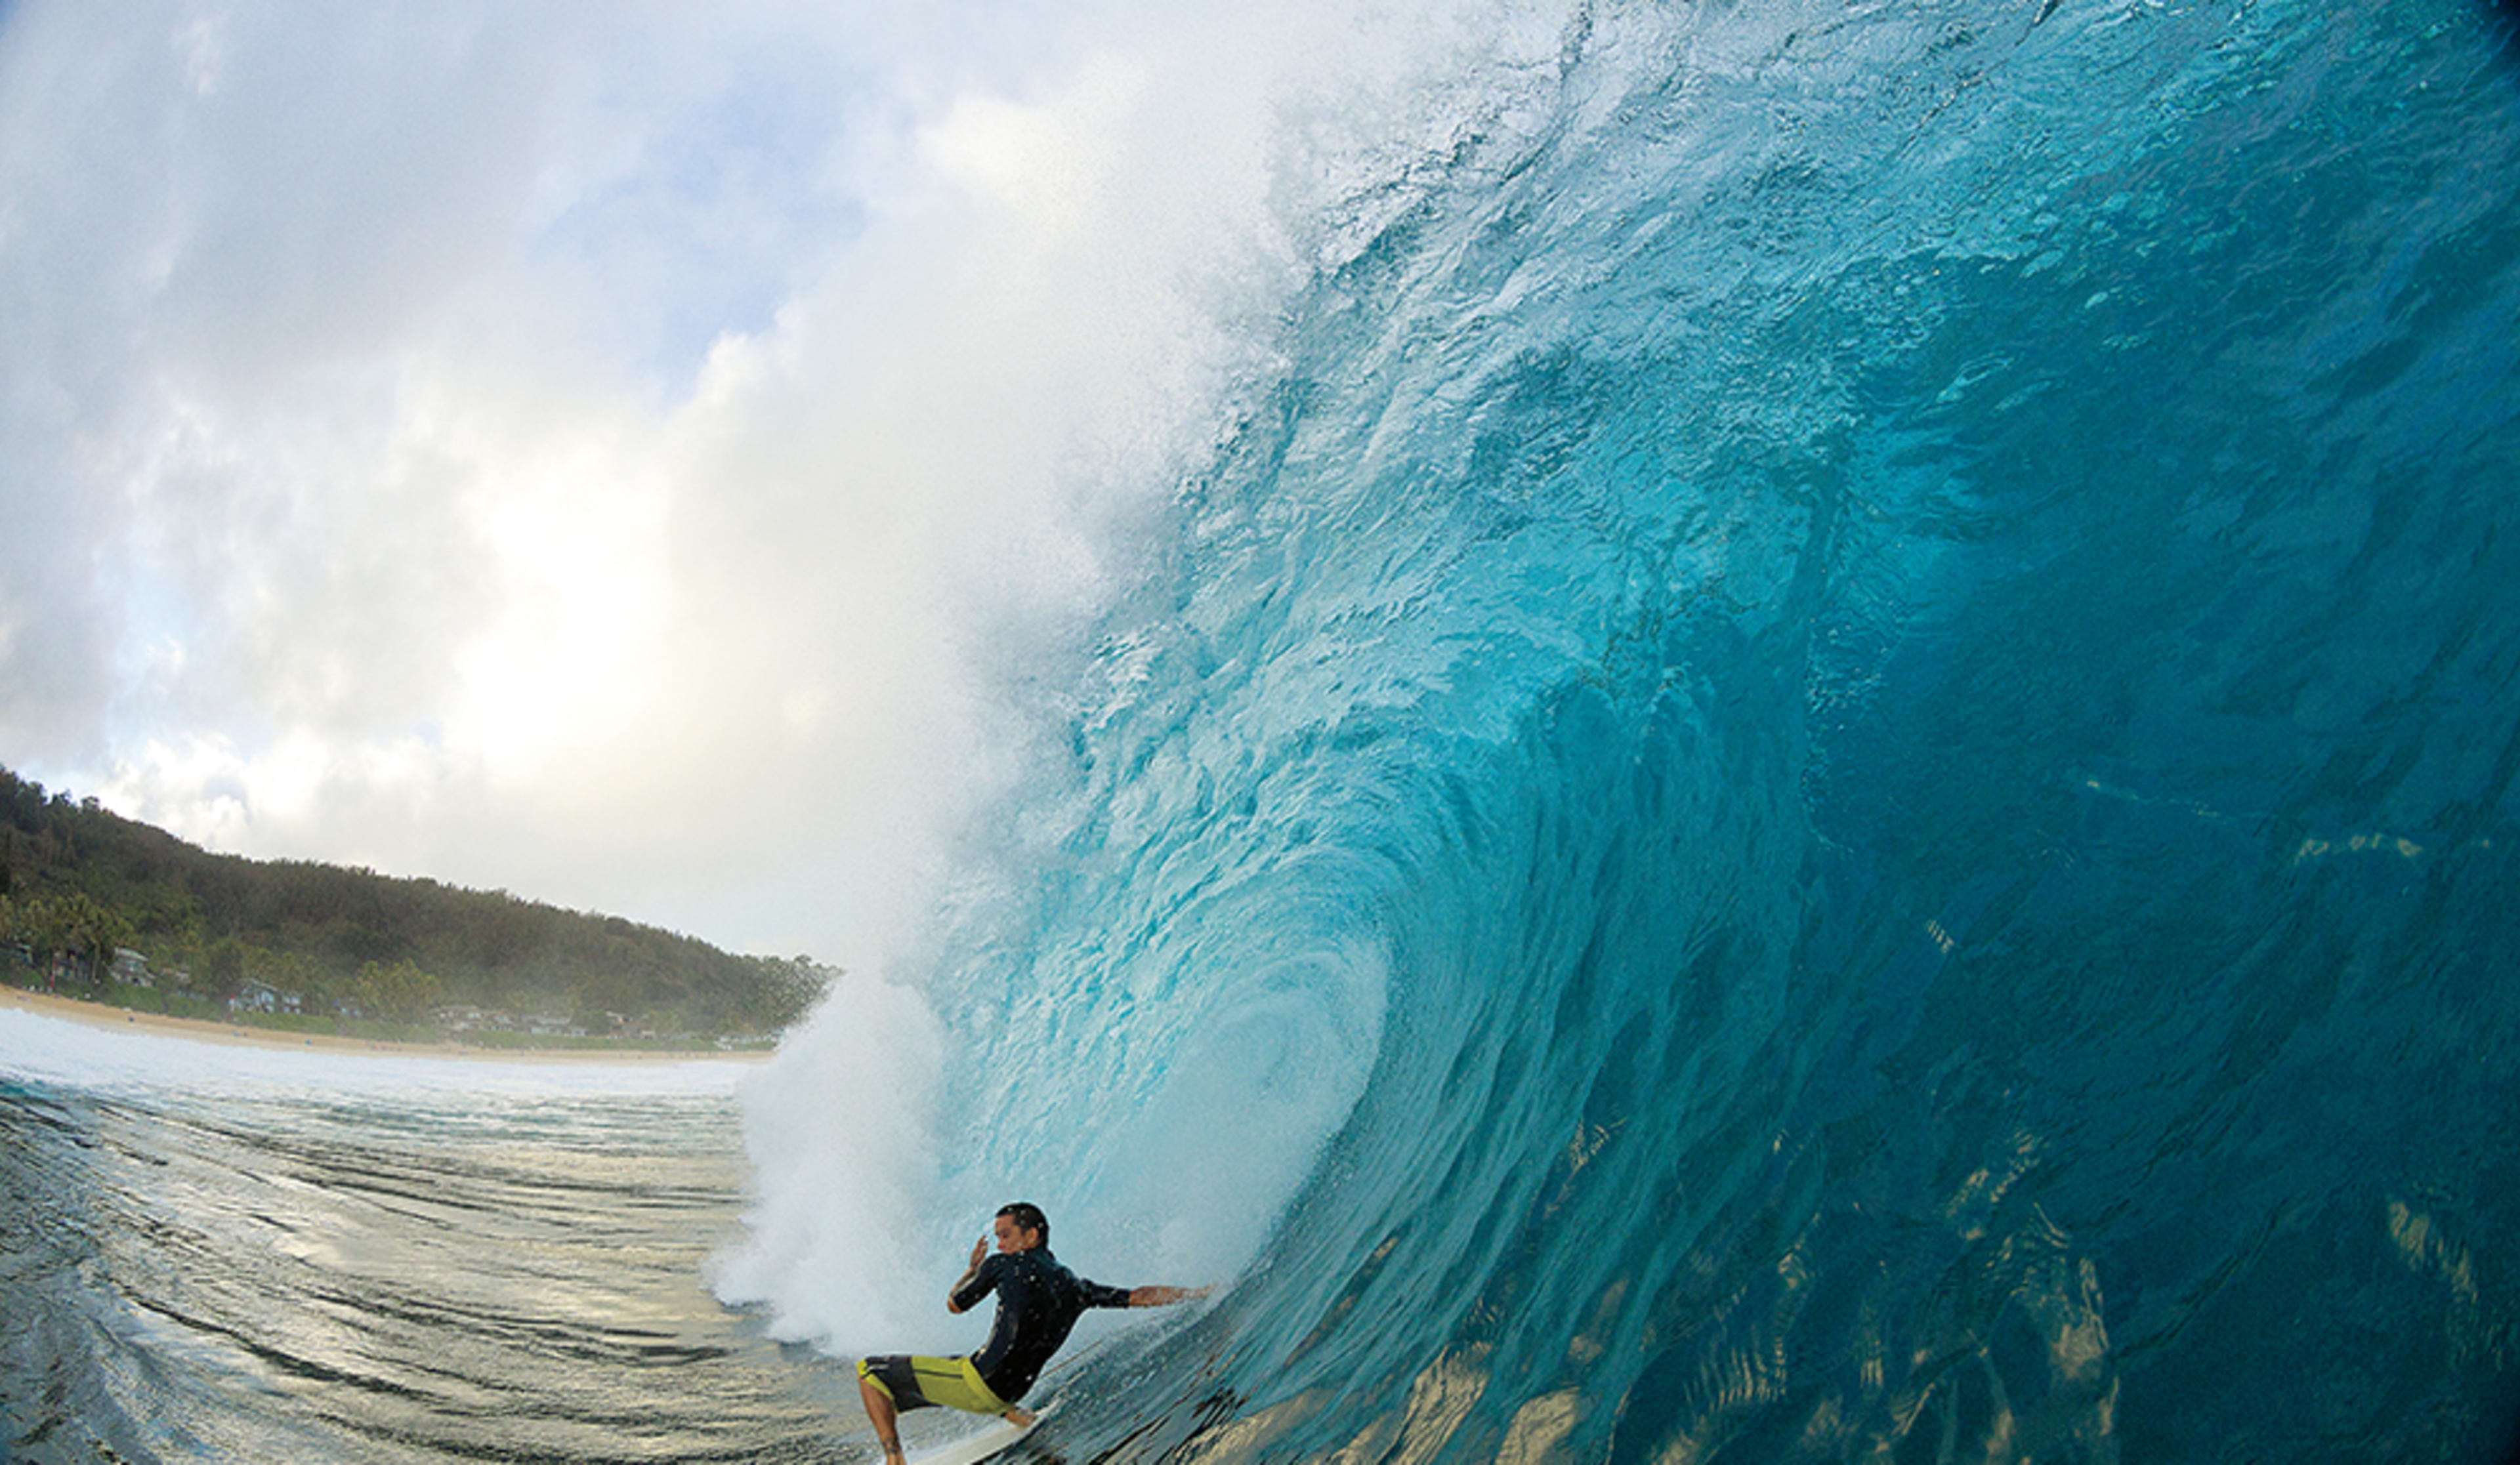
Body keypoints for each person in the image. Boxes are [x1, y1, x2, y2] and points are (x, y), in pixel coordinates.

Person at [854, 1202, 1209, 1463]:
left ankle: (894, 1459)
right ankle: (1015, 1415)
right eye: (997, 1238)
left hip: (981, 1383)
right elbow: (1139, 1296)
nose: (999, 1244)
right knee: (957, 1363)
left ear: (1032, 1234)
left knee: (870, 1371)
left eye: (1005, 1236)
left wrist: (970, 1271)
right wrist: (1197, 1294)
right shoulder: (1075, 1286)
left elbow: (955, 1305)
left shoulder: (1001, 1265)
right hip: (1013, 1389)